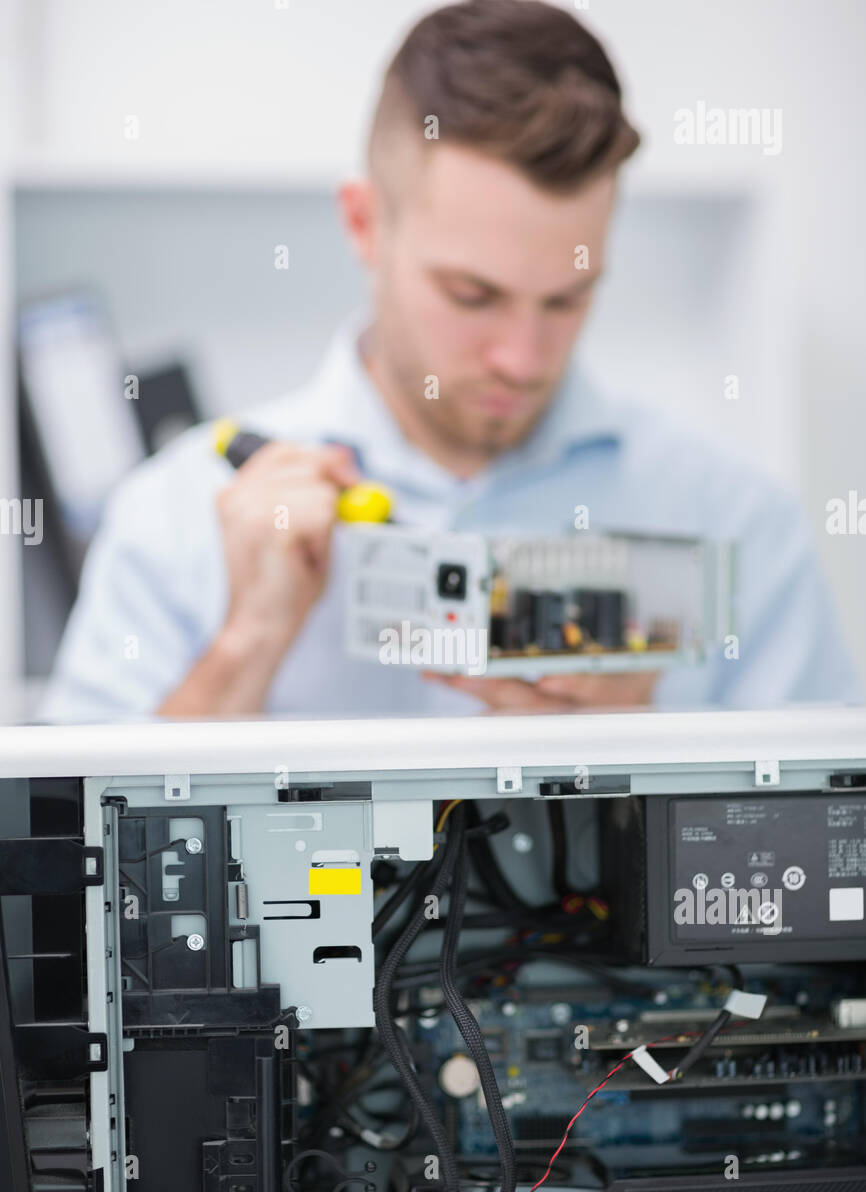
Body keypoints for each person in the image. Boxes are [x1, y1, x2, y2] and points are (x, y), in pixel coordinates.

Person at [37, 0, 860, 723]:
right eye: (472, 295)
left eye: (567, 299)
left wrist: (643, 742)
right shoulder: (174, 518)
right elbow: (71, 875)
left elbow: (826, 873)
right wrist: (246, 647)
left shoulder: (740, 528)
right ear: (365, 225)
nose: (521, 359)